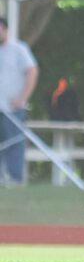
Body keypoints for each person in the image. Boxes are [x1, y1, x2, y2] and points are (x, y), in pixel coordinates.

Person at [0, 17, 39, 186]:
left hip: (12, 108)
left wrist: (22, 98)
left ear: (5, 29)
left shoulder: (18, 49)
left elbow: (32, 71)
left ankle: (14, 178)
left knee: (14, 141)